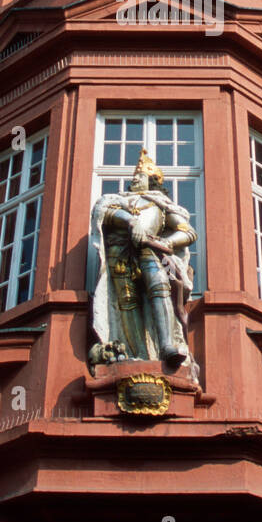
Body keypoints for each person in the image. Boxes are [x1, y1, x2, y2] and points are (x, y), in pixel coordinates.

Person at [89, 148, 197, 374]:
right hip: (119, 254)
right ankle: (134, 351)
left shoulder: (160, 204)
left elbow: (187, 232)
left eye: (139, 176)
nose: (134, 179)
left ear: (151, 180)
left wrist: (169, 243)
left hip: (150, 250)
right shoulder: (118, 200)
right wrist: (130, 221)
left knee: (159, 288)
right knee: (127, 301)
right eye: (135, 177)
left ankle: (166, 344)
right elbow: (105, 212)